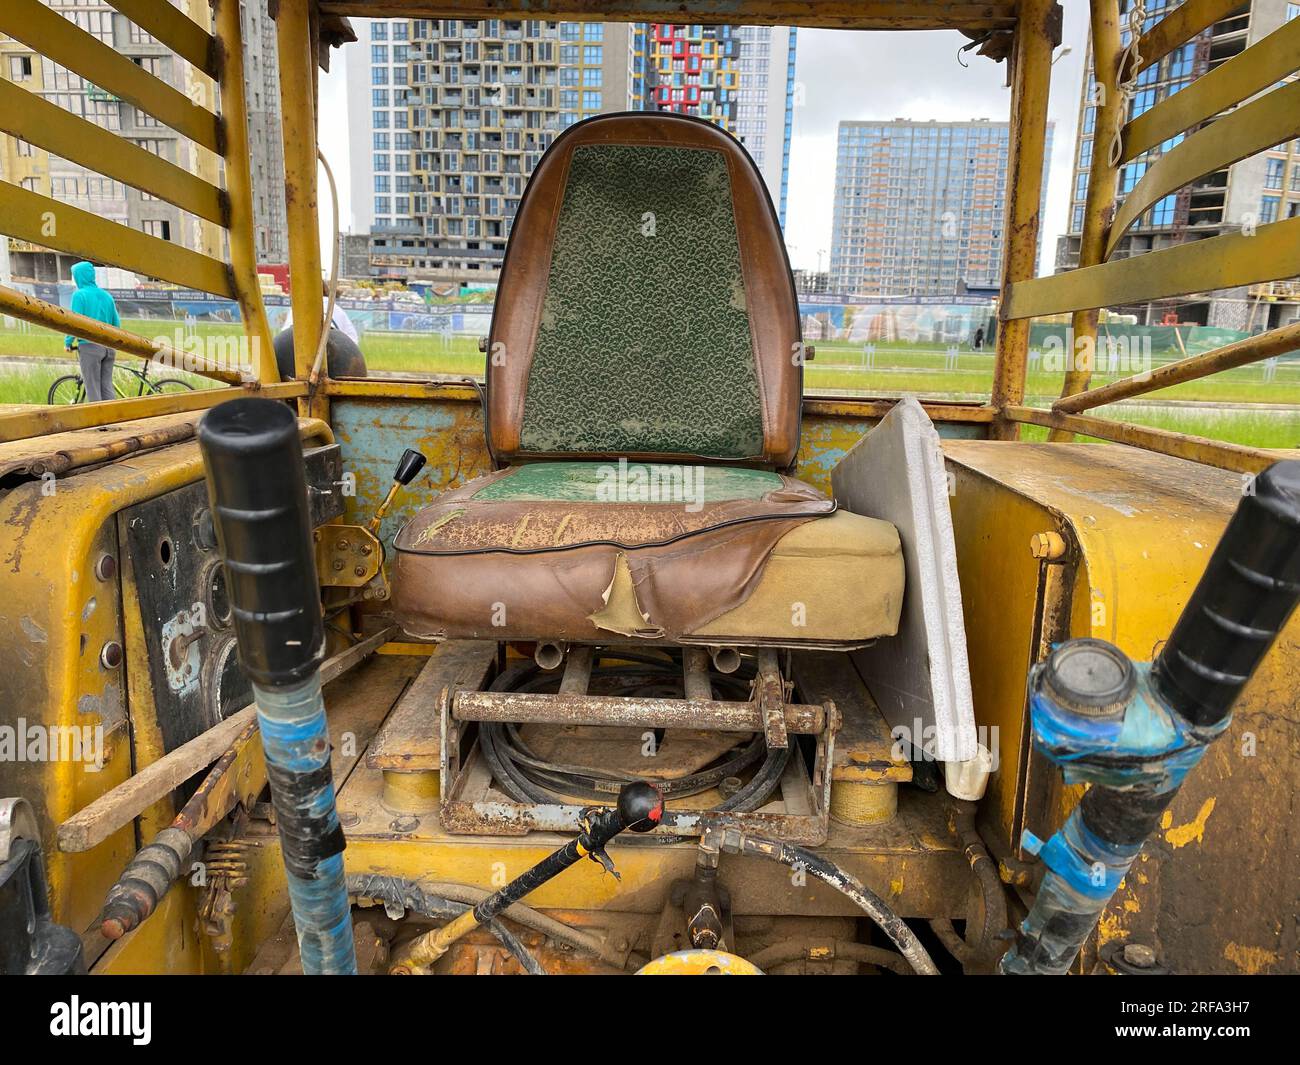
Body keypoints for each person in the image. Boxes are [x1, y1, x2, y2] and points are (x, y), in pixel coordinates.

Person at [64, 261, 120, 402]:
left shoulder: (80, 295)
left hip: (90, 347)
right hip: (109, 347)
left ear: (79, 277)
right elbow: (116, 324)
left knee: (93, 388)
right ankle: (112, 417)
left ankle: (98, 422)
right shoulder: (107, 296)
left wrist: (68, 342)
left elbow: (74, 322)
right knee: (106, 386)